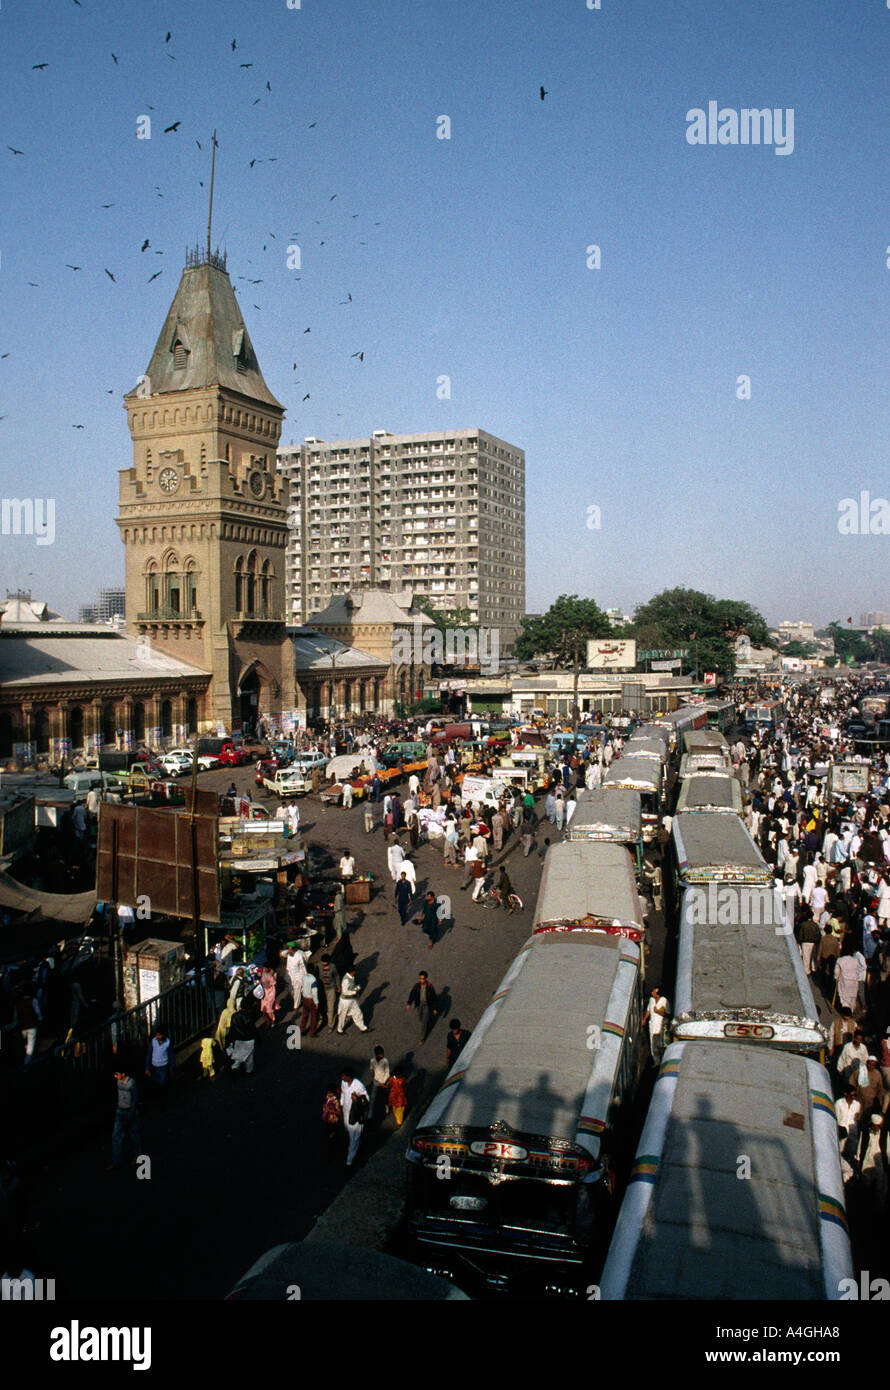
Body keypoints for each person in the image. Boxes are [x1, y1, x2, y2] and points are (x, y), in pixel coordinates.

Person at [108, 1069, 141, 1170]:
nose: (115, 1076)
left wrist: (132, 1112)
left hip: (129, 1111)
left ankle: (136, 1156)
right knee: (116, 1136)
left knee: (133, 1134)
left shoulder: (131, 1083)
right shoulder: (118, 1082)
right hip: (120, 1111)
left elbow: (135, 1098)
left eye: (117, 1074)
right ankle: (116, 1160)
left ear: (123, 1074)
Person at [340, 1068, 370, 1166]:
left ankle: (349, 1160)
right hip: (346, 1112)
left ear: (349, 1077)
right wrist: (341, 1103)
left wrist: (357, 1099)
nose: (342, 1077)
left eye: (344, 1076)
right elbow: (342, 1093)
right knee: (348, 1131)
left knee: (354, 1138)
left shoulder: (359, 1086)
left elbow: (366, 1100)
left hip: (355, 1115)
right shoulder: (344, 1083)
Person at [406, 970, 438, 1044]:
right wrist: (409, 1003)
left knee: (423, 1022)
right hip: (419, 1005)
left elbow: (434, 998)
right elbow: (412, 994)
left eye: (423, 979)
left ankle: (422, 1038)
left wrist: (435, 1008)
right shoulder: (417, 986)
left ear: (426, 979)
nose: (421, 980)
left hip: (426, 1005)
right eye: (420, 978)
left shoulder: (430, 987)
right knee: (420, 1018)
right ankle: (426, 1026)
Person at [641, 988, 669, 1066]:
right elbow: (648, 1010)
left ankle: (663, 1061)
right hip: (652, 1025)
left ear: (658, 994)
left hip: (661, 1026)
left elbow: (668, 1014)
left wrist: (659, 1012)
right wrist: (644, 1019)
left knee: (661, 1044)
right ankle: (656, 1062)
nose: (652, 992)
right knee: (653, 1043)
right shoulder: (651, 1000)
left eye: (653, 992)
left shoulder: (664, 1001)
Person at [144, 1028, 174, 1095]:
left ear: (163, 1035)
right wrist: (147, 1068)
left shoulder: (168, 1042)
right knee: (155, 1082)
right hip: (154, 1066)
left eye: (159, 1035)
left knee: (163, 1083)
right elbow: (149, 1054)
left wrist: (172, 1067)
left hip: (164, 1066)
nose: (158, 1037)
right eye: (157, 1035)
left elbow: (171, 1055)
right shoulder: (153, 1041)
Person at [337, 970, 368, 1034]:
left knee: (357, 1012)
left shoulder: (351, 978)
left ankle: (362, 1027)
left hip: (352, 999)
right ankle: (339, 1029)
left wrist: (355, 988)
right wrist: (354, 992)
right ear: (352, 971)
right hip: (345, 1001)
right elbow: (345, 992)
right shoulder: (346, 980)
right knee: (343, 1015)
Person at [319, 954, 341, 1032]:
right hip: (322, 990)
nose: (323, 964)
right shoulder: (319, 967)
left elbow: (336, 976)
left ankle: (330, 1025)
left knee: (331, 1008)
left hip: (331, 989)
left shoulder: (333, 967)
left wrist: (338, 986)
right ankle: (321, 1019)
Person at [369, 1045, 391, 1120]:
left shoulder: (385, 1061)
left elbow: (387, 1073)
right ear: (377, 1054)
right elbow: (372, 1070)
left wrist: (384, 1082)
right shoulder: (372, 1061)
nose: (382, 1055)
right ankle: (370, 1114)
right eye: (381, 1053)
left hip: (383, 1082)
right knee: (372, 1098)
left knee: (385, 1097)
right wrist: (374, 1078)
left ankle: (386, 1108)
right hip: (376, 1081)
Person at [322, 1085, 342, 1156]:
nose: (327, 1094)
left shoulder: (335, 1101)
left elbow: (339, 1112)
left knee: (332, 1134)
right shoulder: (328, 1098)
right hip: (328, 1119)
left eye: (329, 1093)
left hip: (333, 1120)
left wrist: (330, 1110)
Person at [300, 970, 320, 1037]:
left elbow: (302, 987)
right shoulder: (313, 979)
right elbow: (314, 992)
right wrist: (316, 1002)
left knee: (305, 1015)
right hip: (311, 1000)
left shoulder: (304, 977)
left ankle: (302, 1029)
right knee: (314, 1016)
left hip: (305, 998)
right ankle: (312, 1032)